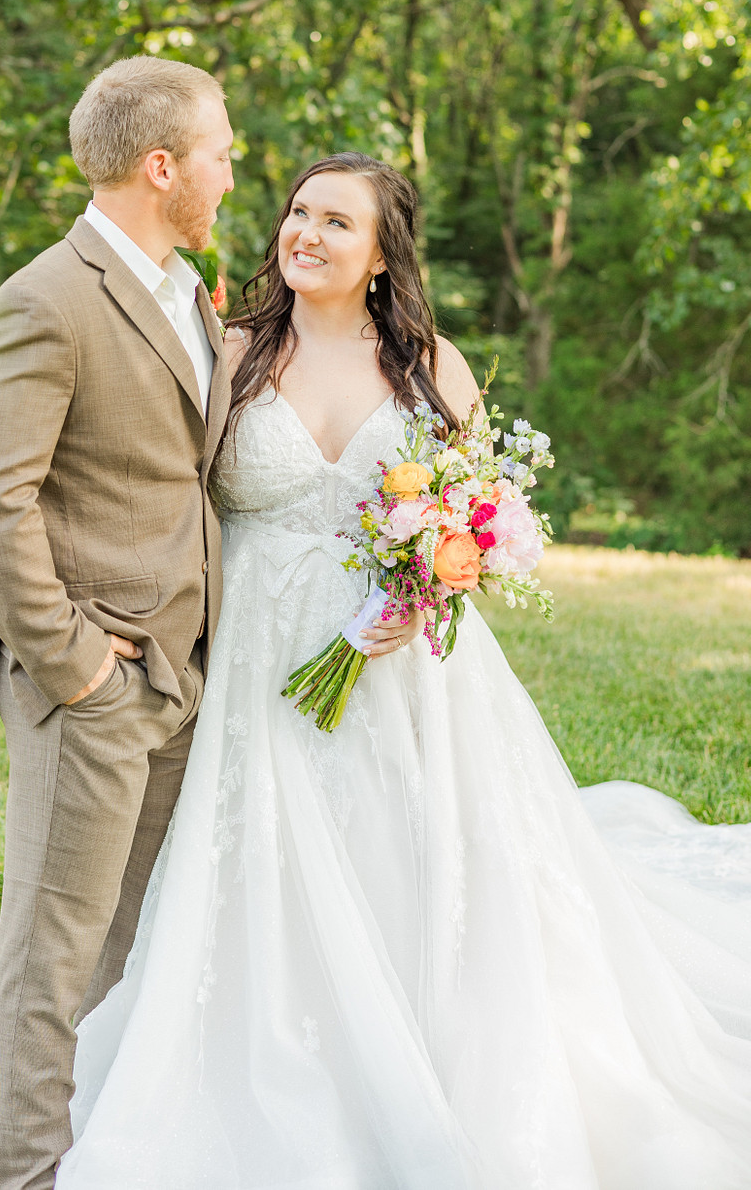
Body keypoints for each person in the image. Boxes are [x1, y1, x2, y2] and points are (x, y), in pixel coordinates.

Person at [56, 152, 751, 1190]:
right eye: (298, 212)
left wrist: (423, 587)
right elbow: (143, 476)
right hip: (261, 651)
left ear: (382, 255)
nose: (307, 233)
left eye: (338, 221)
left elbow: (488, 517)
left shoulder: (429, 361)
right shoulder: (228, 348)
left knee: (431, 851)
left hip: (407, 668)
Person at [0, 71, 418, 1190]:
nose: (236, 172)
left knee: (129, 939)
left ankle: (108, 1141)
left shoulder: (186, 294)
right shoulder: (46, 300)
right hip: (95, 688)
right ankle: (27, 1177)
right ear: (163, 167)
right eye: (222, 152)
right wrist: (73, 665)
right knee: (53, 954)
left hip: (185, 678)